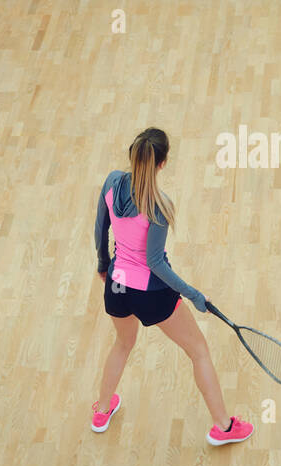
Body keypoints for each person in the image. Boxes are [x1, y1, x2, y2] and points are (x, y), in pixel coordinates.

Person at [92, 128, 253, 446]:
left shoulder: (111, 182)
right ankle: (223, 427)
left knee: (122, 345)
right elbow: (156, 264)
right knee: (199, 351)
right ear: (162, 164)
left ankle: (101, 410)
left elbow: (101, 226)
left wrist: (102, 265)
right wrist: (194, 295)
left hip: (117, 289)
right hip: (151, 295)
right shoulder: (159, 207)